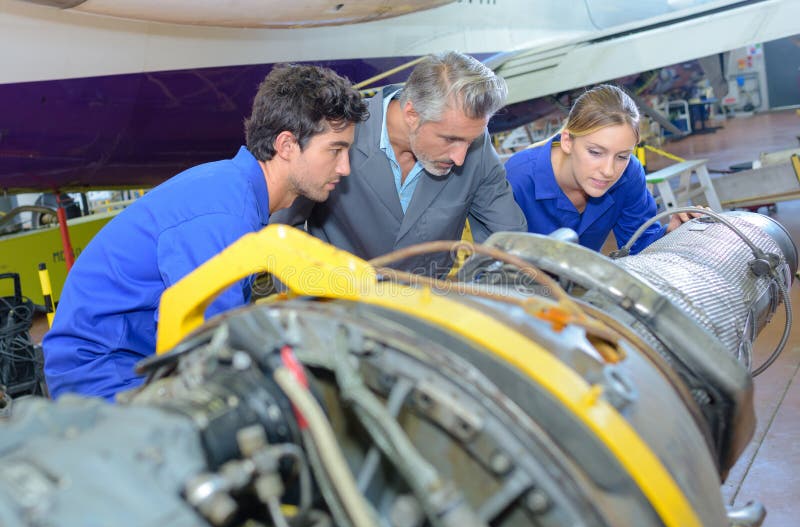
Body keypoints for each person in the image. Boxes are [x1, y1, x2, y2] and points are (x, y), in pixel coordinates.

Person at [43, 64, 369, 401]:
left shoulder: (236, 194)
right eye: (335, 150)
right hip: (104, 375)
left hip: (131, 358)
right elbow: (209, 354)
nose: (344, 168)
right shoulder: (224, 215)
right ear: (286, 145)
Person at [271, 51, 527, 277]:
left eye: (469, 142)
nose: (460, 157)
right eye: (449, 139)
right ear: (412, 114)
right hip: (337, 311)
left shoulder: (476, 147)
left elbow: (509, 242)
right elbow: (281, 232)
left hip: (427, 311)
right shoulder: (338, 134)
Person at [505, 84, 697, 254]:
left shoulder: (629, 174)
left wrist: (670, 233)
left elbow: (639, 244)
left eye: (622, 156)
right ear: (567, 141)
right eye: (596, 152)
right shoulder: (515, 180)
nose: (608, 171)